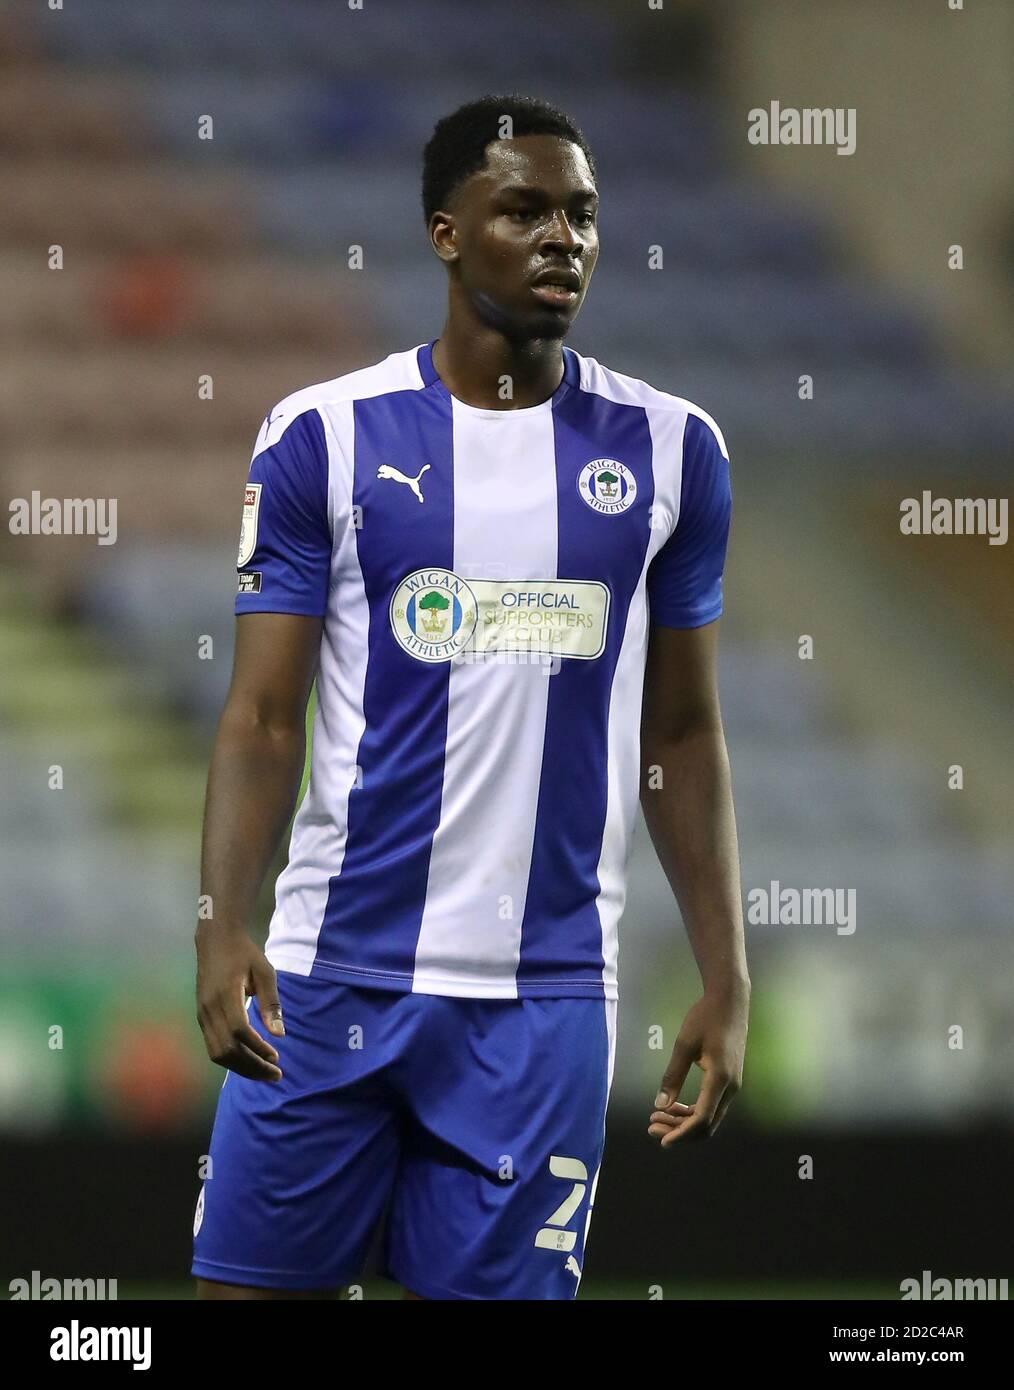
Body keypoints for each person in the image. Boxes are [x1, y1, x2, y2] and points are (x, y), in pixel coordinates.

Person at [192, 93, 749, 1301]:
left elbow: (684, 736)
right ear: (447, 232)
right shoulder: (320, 439)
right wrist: (220, 920)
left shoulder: (671, 450)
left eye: (585, 215)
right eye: (527, 210)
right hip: (331, 979)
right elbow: (261, 717)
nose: (566, 240)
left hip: (540, 1007)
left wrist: (725, 968)